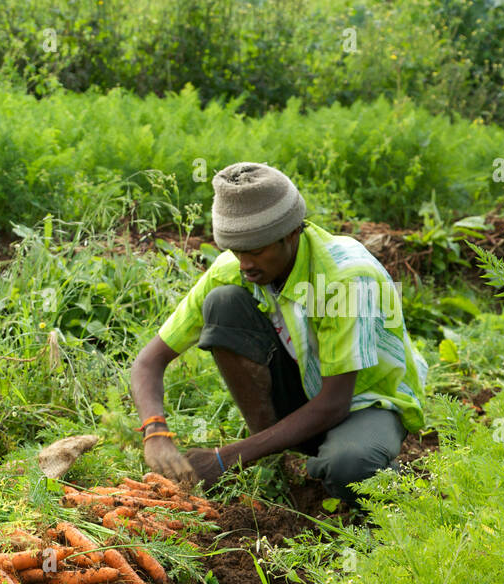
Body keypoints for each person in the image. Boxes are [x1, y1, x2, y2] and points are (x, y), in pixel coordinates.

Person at [128, 162, 429, 506]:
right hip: (306, 392)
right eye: (237, 251)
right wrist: (155, 431)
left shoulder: (343, 278)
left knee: (349, 467)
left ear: (292, 233)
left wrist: (227, 457)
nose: (245, 264)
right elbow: (149, 361)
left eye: (256, 251)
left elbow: (335, 403)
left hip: (365, 403)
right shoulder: (237, 269)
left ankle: (398, 482)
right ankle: (273, 457)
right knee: (223, 303)